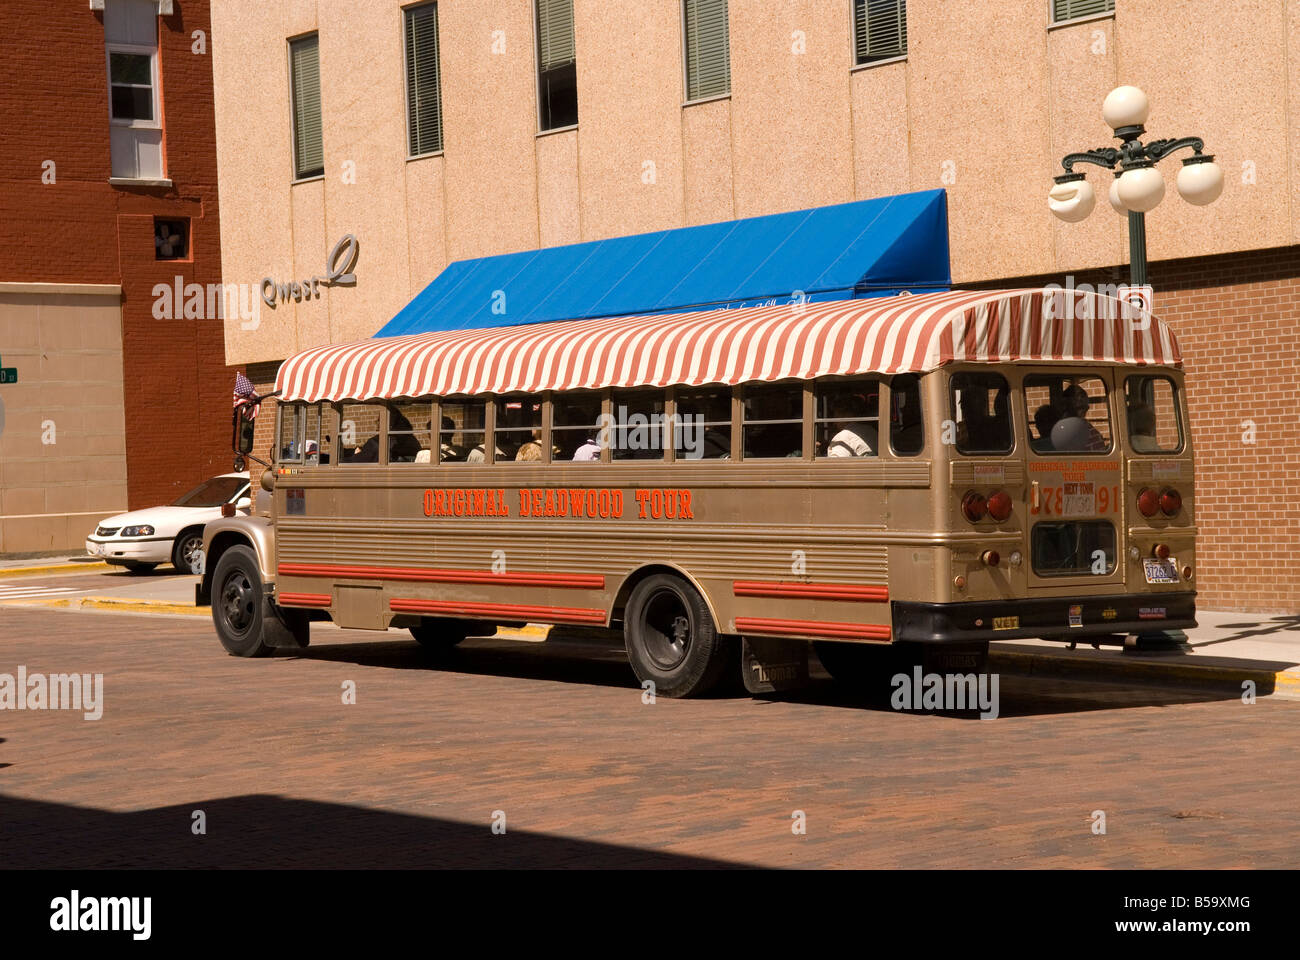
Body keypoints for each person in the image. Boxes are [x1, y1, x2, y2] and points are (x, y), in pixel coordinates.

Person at [1050, 384, 1106, 452]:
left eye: (1086, 408)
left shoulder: (1087, 427)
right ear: (1066, 405)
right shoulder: (1063, 429)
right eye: (1080, 408)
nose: (1085, 411)